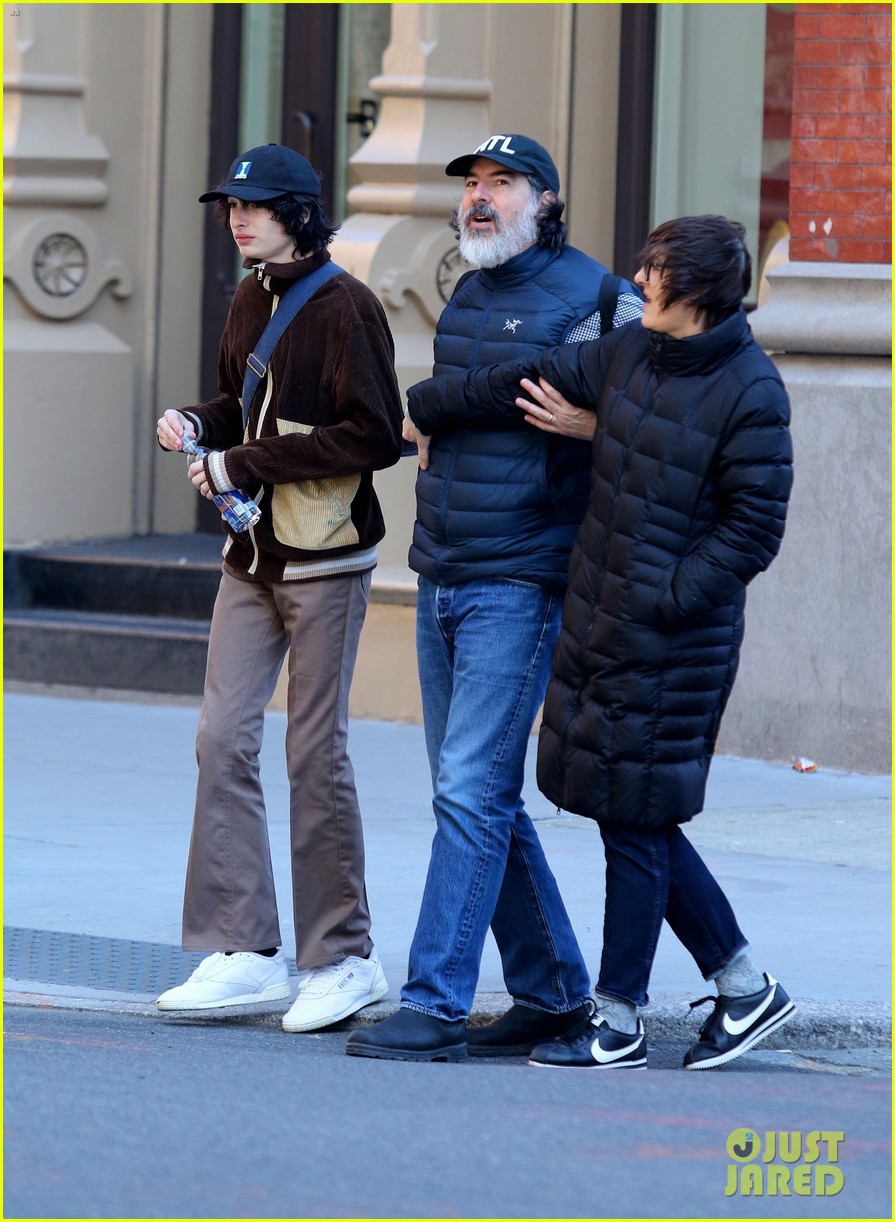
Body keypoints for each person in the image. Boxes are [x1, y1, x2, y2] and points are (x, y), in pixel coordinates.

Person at [404, 214, 796, 1070]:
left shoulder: (751, 389)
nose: (637, 280)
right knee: (633, 812)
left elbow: (752, 530)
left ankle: (616, 1018)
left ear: (690, 290)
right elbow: (525, 377)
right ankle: (741, 985)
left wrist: (663, 599)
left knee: (632, 819)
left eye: (652, 270)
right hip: (603, 623)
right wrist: (427, 407)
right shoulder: (629, 356)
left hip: (673, 638)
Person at [346, 134, 642, 1061]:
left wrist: (593, 421)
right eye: (472, 184)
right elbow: (473, 404)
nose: (480, 199)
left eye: (501, 184)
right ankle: (553, 987)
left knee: (470, 792)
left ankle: (433, 1000)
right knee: (475, 796)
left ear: (546, 200)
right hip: (442, 566)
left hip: (523, 577)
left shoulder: (600, 298)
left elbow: (646, 406)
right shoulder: (470, 289)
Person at [155, 144, 404, 1032]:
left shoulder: (347, 306)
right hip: (251, 554)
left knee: (313, 753)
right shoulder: (250, 292)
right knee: (221, 739)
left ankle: (343, 958)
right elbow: (238, 400)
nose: (236, 216)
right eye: (229, 203)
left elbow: (375, 434)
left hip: (325, 557)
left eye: (253, 204)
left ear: (300, 211)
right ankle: (244, 948)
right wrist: (196, 422)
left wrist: (240, 459)